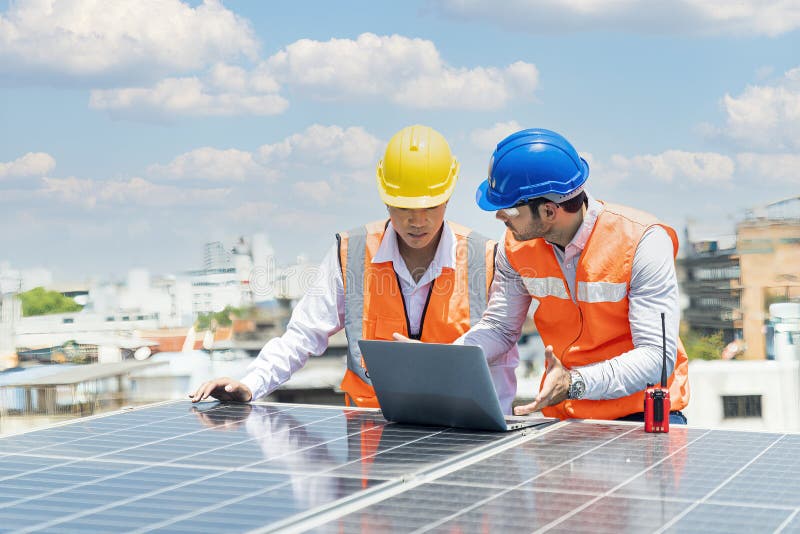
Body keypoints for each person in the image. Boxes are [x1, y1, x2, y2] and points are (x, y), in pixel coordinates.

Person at [191, 125, 519, 413]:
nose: (417, 221)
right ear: (384, 197)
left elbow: (501, 349)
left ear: (448, 196)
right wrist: (250, 383)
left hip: (464, 432)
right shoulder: (352, 253)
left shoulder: (486, 256)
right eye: (403, 207)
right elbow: (303, 334)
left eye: (429, 207)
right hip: (372, 440)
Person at [458, 128, 690, 422]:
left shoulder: (643, 241)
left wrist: (574, 383)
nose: (499, 216)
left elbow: (657, 358)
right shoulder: (515, 247)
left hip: (640, 418)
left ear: (549, 211)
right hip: (565, 416)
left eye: (509, 209)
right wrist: (445, 361)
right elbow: (500, 328)